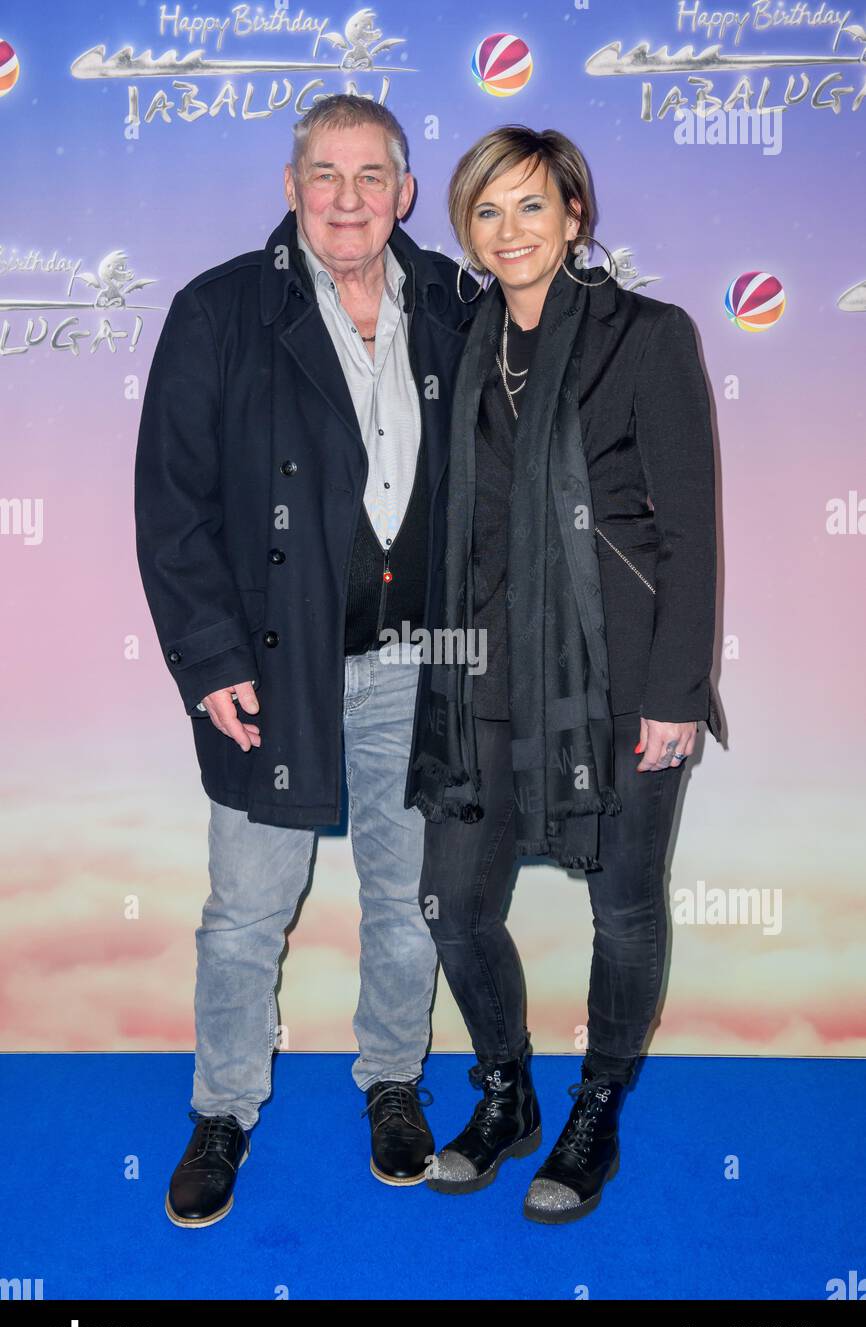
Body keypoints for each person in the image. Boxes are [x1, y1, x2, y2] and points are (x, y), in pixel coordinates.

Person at [134, 95, 475, 1228]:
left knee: (406, 897)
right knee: (245, 913)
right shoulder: (221, 308)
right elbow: (172, 507)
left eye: (368, 176)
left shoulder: (451, 304)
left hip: (415, 660)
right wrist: (206, 658)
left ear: (404, 193)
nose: (344, 198)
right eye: (322, 175)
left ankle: (391, 1082)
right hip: (275, 673)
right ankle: (223, 1108)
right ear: (290, 187)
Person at [406, 125, 723, 1224]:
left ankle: (595, 1109)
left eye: (530, 206)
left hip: (621, 675)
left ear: (574, 217)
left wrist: (677, 696)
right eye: (485, 212)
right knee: (450, 904)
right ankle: (507, 1091)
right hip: (481, 672)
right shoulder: (461, 345)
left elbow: (687, 529)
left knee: (622, 910)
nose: (509, 231)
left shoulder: (646, 336)